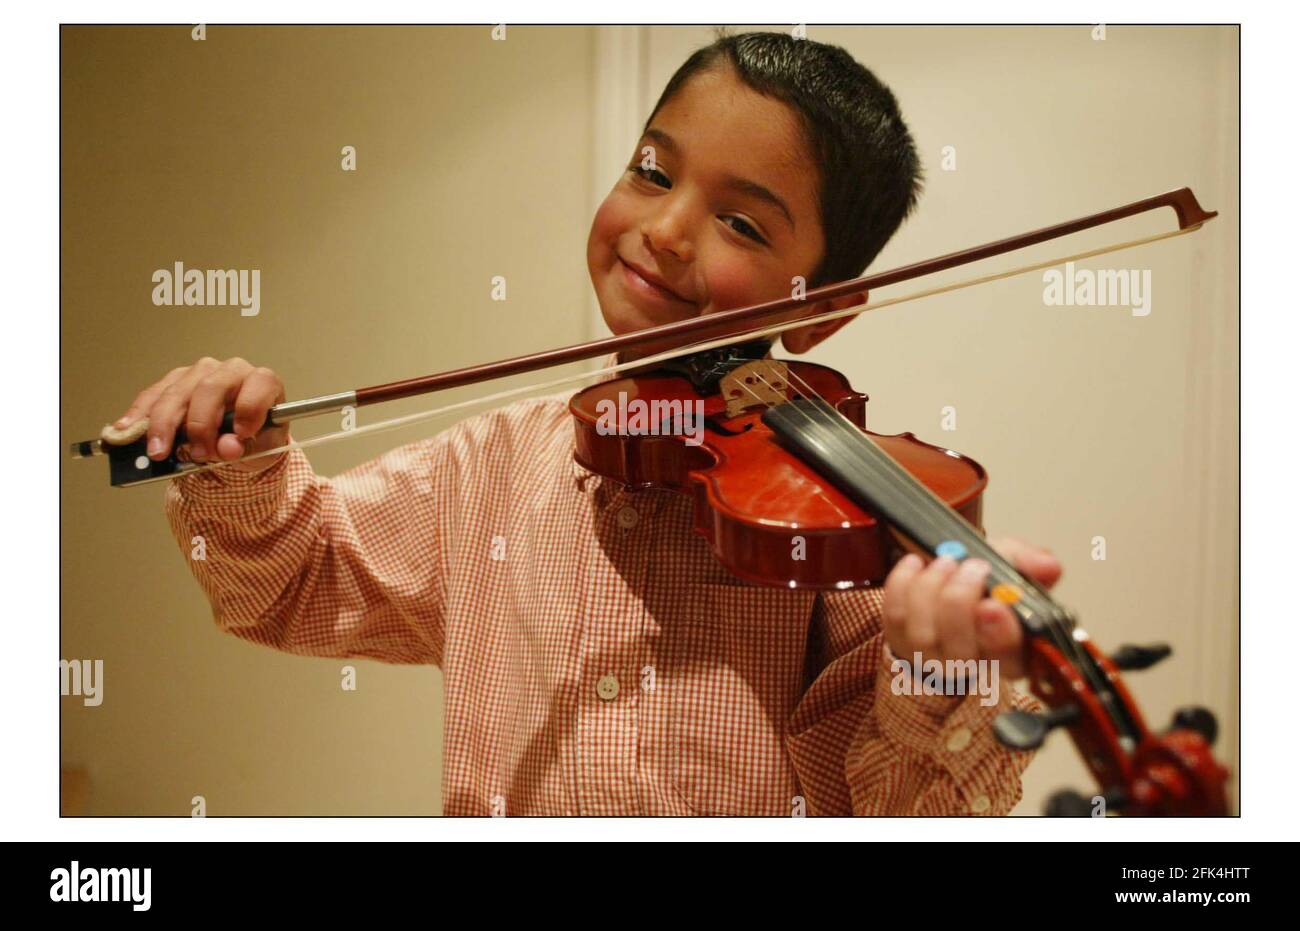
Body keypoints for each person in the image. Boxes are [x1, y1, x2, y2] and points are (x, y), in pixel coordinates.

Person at [116, 31, 1059, 815]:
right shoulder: (488, 463)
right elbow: (298, 579)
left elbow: (900, 807)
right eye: (653, 172)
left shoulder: (839, 529)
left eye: (742, 223)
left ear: (820, 310)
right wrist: (241, 456)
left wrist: (936, 673)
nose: (665, 228)